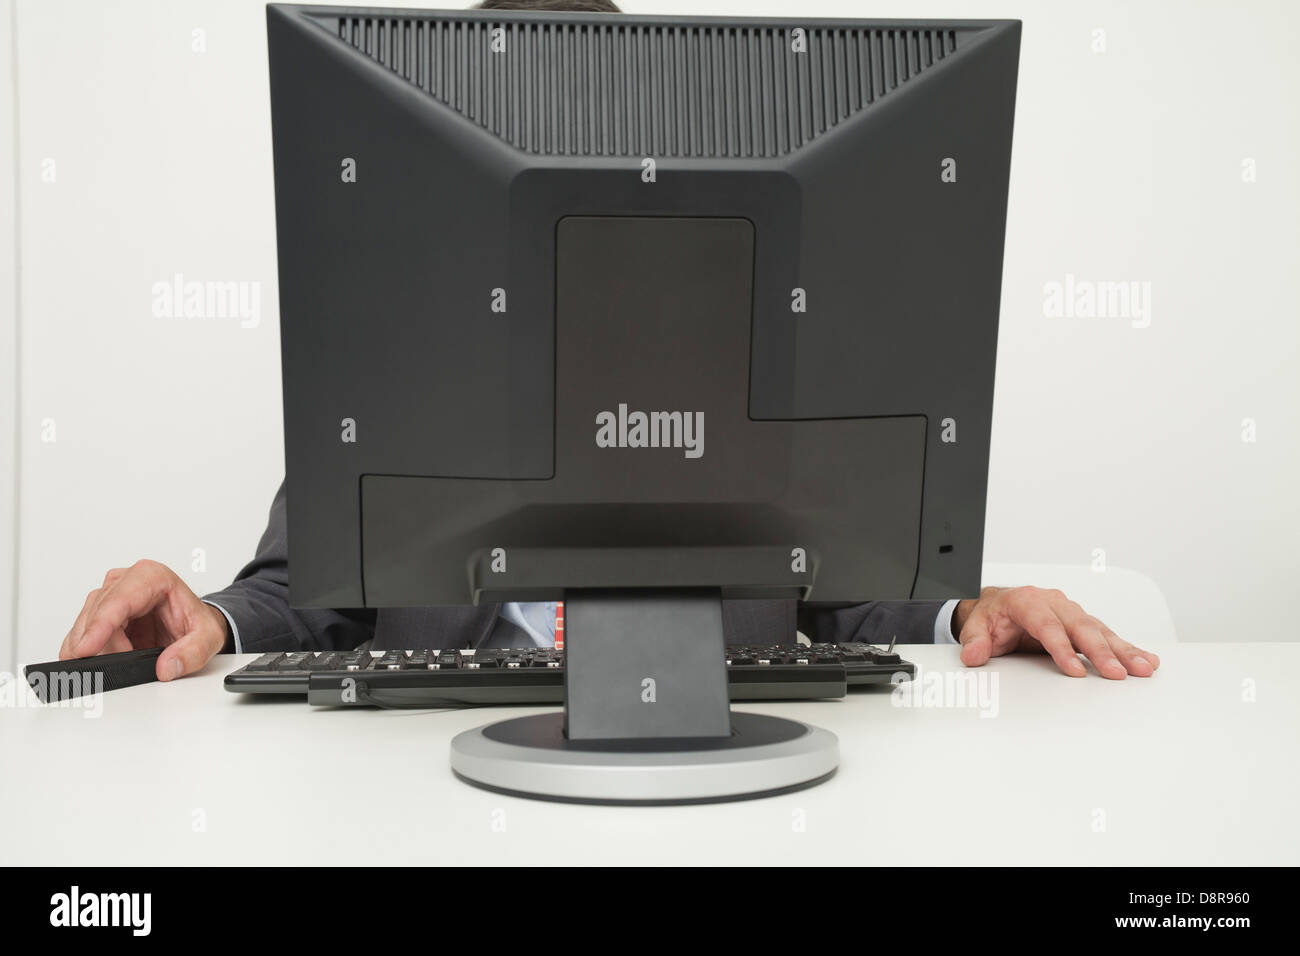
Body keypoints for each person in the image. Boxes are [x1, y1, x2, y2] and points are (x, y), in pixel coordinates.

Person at [58, 0, 1161, 685]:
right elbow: (304, 594)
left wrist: (967, 607)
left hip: (724, 780)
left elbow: (845, 585)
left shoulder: (756, 337)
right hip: (417, 795)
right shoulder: (408, 351)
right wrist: (203, 614)